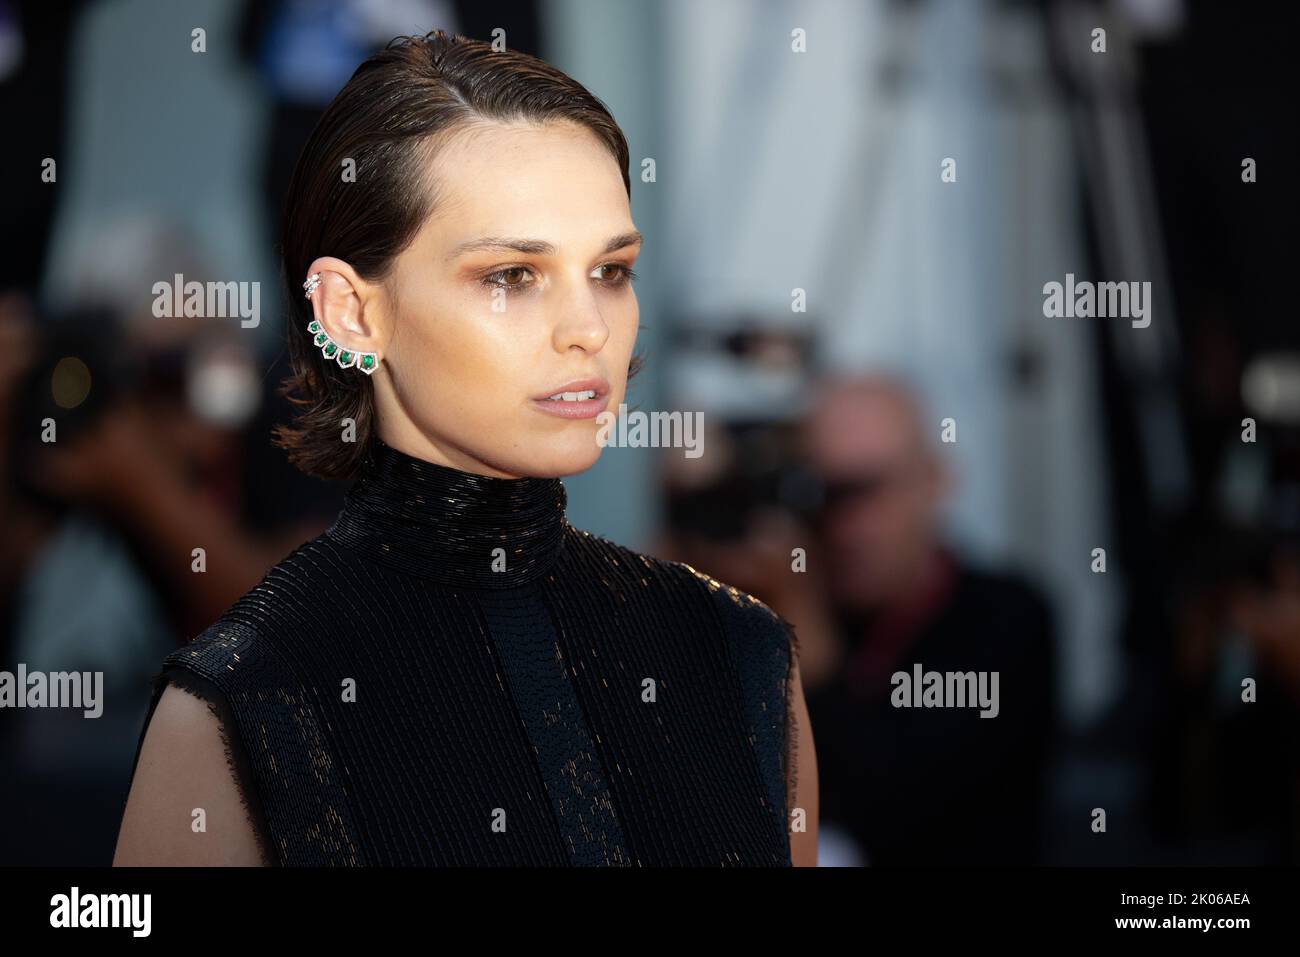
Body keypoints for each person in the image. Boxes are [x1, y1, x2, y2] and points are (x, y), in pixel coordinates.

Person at [113, 30, 817, 867]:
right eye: (511, 276)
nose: (589, 329)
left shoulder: (738, 655)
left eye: (611, 270)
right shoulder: (244, 701)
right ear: (350, 313)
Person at [800, 375, 1055, 865]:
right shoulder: (789, 604)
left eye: (868, 492)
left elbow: (899, 807)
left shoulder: (1006, 620)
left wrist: (807, 653)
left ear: (934, 480)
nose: (847, 527)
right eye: (827, 495)